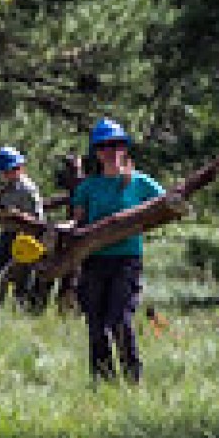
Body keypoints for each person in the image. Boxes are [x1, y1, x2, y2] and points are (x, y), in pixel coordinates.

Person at [67, 118, 163, 383]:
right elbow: (78, 222)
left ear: (125, 148)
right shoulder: (88, 187)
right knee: (96, 326)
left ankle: (133, 380)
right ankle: (103, 383)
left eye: (116, 145)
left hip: (126, 262)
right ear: (96, 152)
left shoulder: (140, 183)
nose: (110, 151)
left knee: (120, 321)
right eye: (104, 146)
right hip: (94, 261)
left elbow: (166, 206)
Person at [0, 145, 45, 305]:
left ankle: (24, 309)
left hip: (25, 238)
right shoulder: (5, 187)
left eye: (12, 169)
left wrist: (16, 215)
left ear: (20, 167)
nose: (8, 173)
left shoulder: (28, 189)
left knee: (22, 277)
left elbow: (38, 221)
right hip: (7, 235)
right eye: (5, 171)